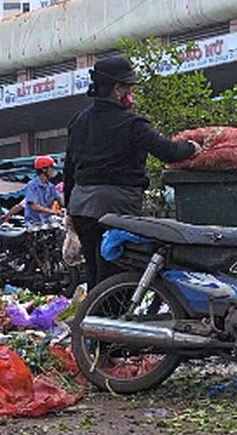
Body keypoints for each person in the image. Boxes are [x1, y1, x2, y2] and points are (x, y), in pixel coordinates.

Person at [64, 56, 202, 288]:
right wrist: (191, 147)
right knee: (117, 274)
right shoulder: (132, 124)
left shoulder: (78, 121)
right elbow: (168, 151)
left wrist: (69, 210)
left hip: (82, 208)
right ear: (118, 89)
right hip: (116, 207)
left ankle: (94, 316)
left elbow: (69, 170)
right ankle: (111, 320)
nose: (131, 93)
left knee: (96, 274)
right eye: (128, 87)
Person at [24, 156, 63, 225]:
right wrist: (53, 212)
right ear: (44, 169)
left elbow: (61, 200)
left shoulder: (51, 187)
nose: (53, 170)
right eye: (52, 167)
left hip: (47, 223)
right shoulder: (32, 186)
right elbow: (34, 206)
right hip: (33, 224)